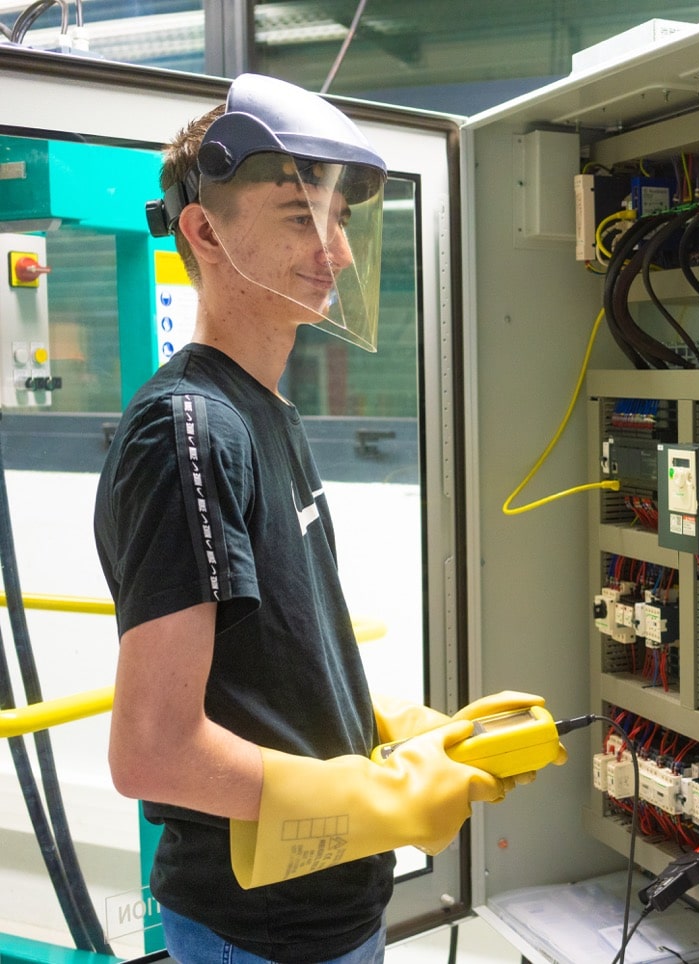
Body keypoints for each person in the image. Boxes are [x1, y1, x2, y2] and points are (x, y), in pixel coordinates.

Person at [96, 74, 550, 963]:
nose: (337, 252)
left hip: (332, 910)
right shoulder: (188, 428)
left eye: (339, 220)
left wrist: (398, 728)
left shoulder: (265, 411)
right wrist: (376, 797)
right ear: (204, 231)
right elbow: (151, 751)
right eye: (301, 217)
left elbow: (272, 657)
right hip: (260, 933)